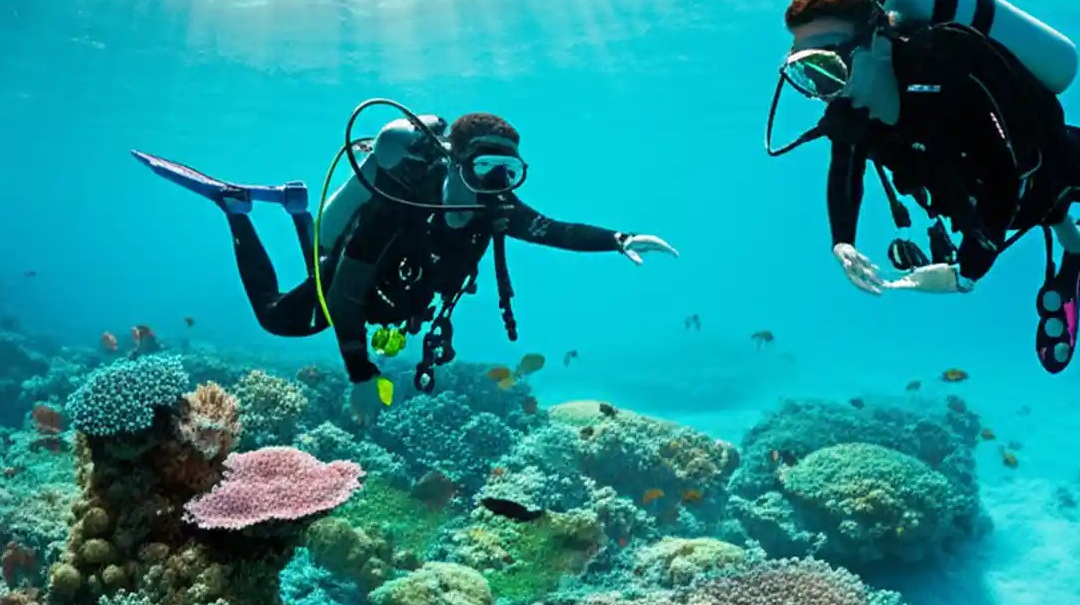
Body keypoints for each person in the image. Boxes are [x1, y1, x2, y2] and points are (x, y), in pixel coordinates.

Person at [765, 0, 1080, 373]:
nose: (826, 91)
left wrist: (965, 273)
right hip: (982, 184)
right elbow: (844, 168)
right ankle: (1075, 245)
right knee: (1041, 212)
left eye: (828, 67)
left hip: (1051, 167)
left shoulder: (949, 67)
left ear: (878, 45)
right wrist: (841, 241)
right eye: (806, 74)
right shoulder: (852, 110)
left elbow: (1007, 176)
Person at [133, 108, 678, 401]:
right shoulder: (400, 204)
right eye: (486, 168)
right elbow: (345, 296)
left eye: (508, 173)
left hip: (392, 299)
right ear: (458, 159)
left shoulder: (497, 207)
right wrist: (361, 374)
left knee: (321, 274)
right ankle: (236, 210)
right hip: (361, 286)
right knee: (282, 321)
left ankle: (298, 212)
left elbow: (553, 229)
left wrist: (619, 239)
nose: (496, 185)